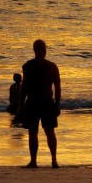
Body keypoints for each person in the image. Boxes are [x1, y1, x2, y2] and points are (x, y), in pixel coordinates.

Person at [19, 39, 61, 168]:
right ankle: (53, 160)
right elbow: (58, 87)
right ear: (44, 50)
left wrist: (20, 105)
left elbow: (24, 88)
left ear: (34, 50)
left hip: (33, 102)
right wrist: (57, 104)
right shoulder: (52, 66)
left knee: (34, 132)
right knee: (49, 132)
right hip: (46, 102)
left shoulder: (28, 66)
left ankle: (34, 161)